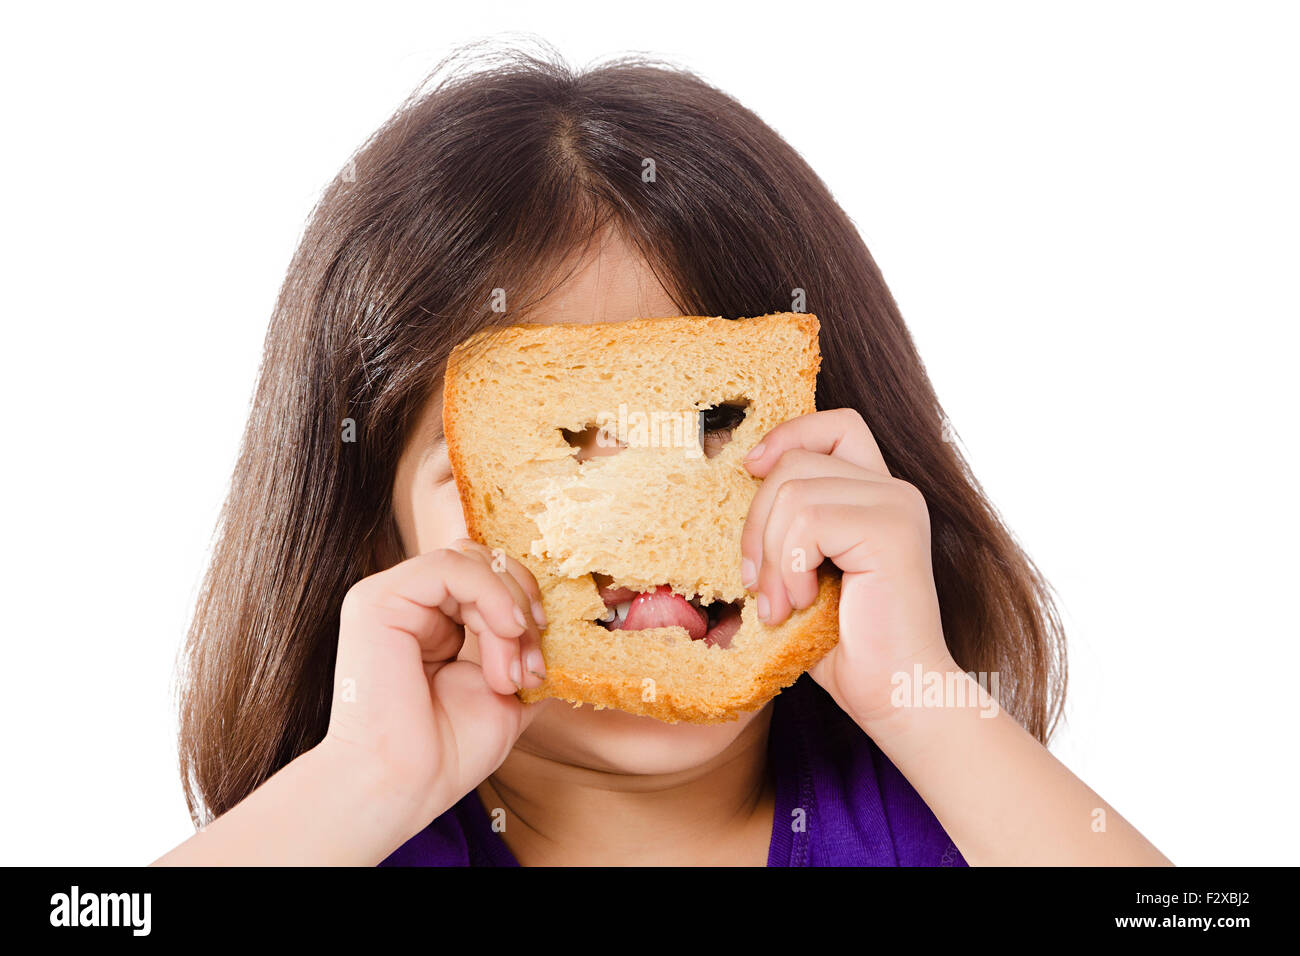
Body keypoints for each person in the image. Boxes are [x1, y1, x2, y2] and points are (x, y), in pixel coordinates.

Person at [154, 46, 1170, 866]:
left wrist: (926, 700)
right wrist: (357, 782)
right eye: (559, 449)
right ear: (376, 544)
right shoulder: (359, 836)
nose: (642, 515)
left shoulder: (939, 818)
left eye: (714, 426)